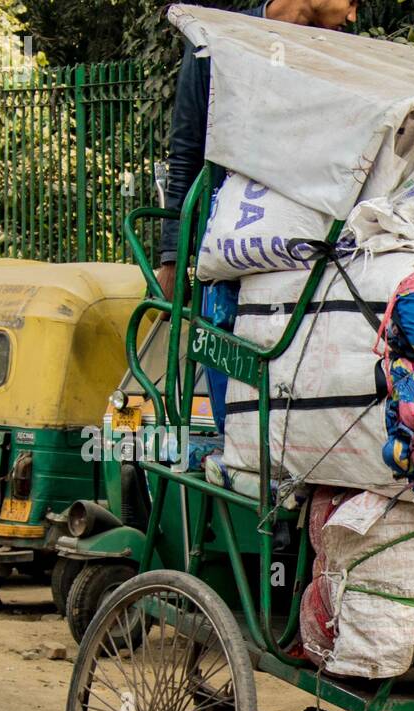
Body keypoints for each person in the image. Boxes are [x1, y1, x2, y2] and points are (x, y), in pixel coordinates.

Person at [155, 2, 359, 434]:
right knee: (228, 353)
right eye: (353, 1)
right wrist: (173, 255)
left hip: (310, 247)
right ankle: (238, 464)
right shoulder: (217, 39)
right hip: (232, 246)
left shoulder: (346, 51)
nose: (354, 16)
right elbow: (187, 151)